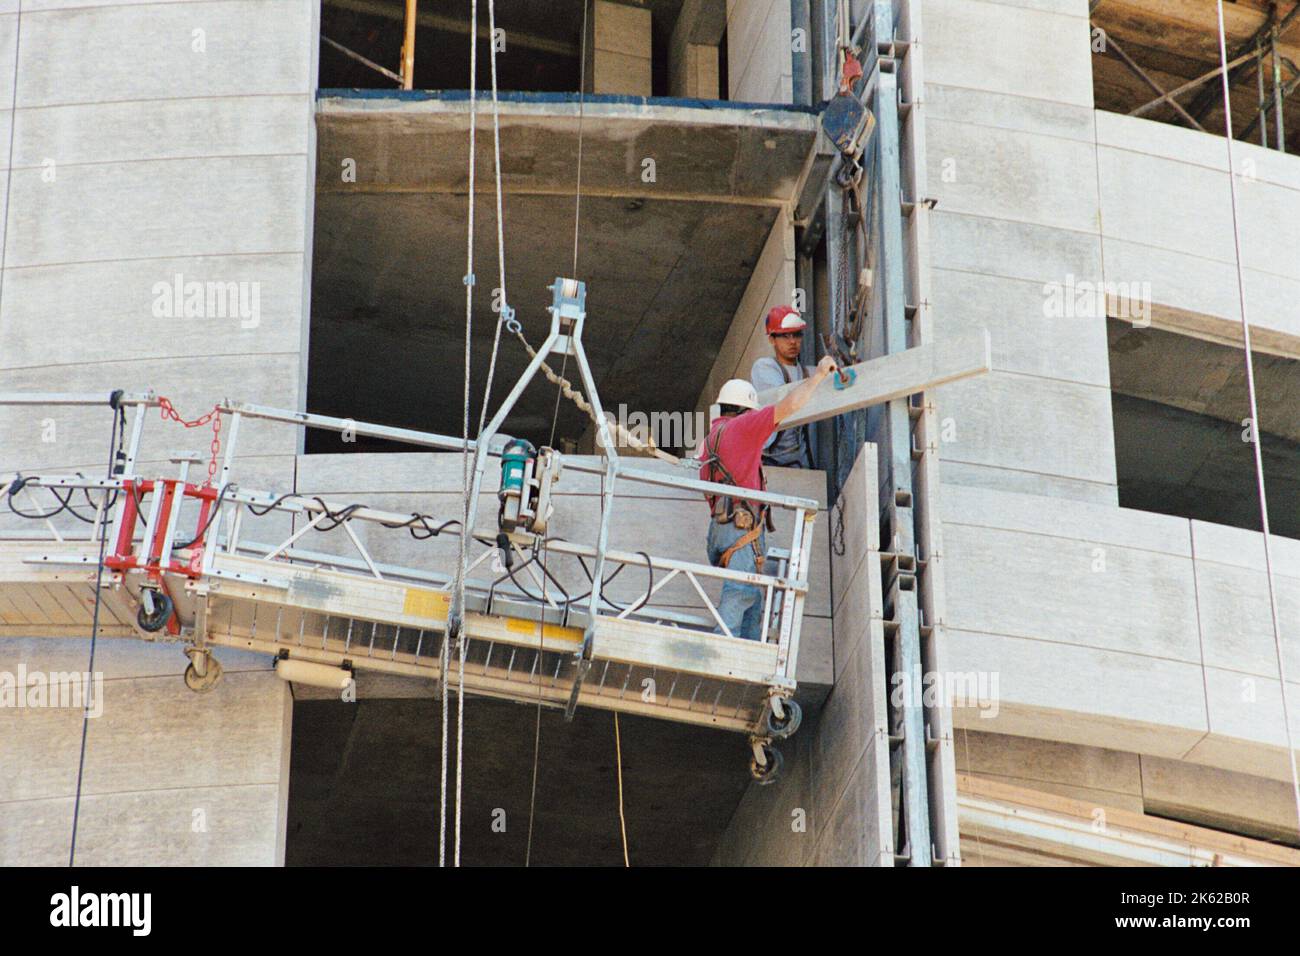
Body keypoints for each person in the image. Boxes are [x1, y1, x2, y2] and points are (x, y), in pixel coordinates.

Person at [697, 354, 838, 641]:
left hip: (721, 529)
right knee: (740, 591)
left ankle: (748, 652)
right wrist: (819, 374)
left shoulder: (711, 439)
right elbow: (790, 405)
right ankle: (723, 647)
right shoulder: (742, 428)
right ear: (744, 410)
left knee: (753, 598)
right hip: (741, 528)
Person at [751, 305, 814, 468]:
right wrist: (820, 377)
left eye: (797, 335)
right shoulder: (764, 367)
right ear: (772, 339)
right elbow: (786, 401)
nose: (792, 341)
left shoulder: (807, 372)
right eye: (785, 336)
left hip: (798, 460)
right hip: (770, 459)